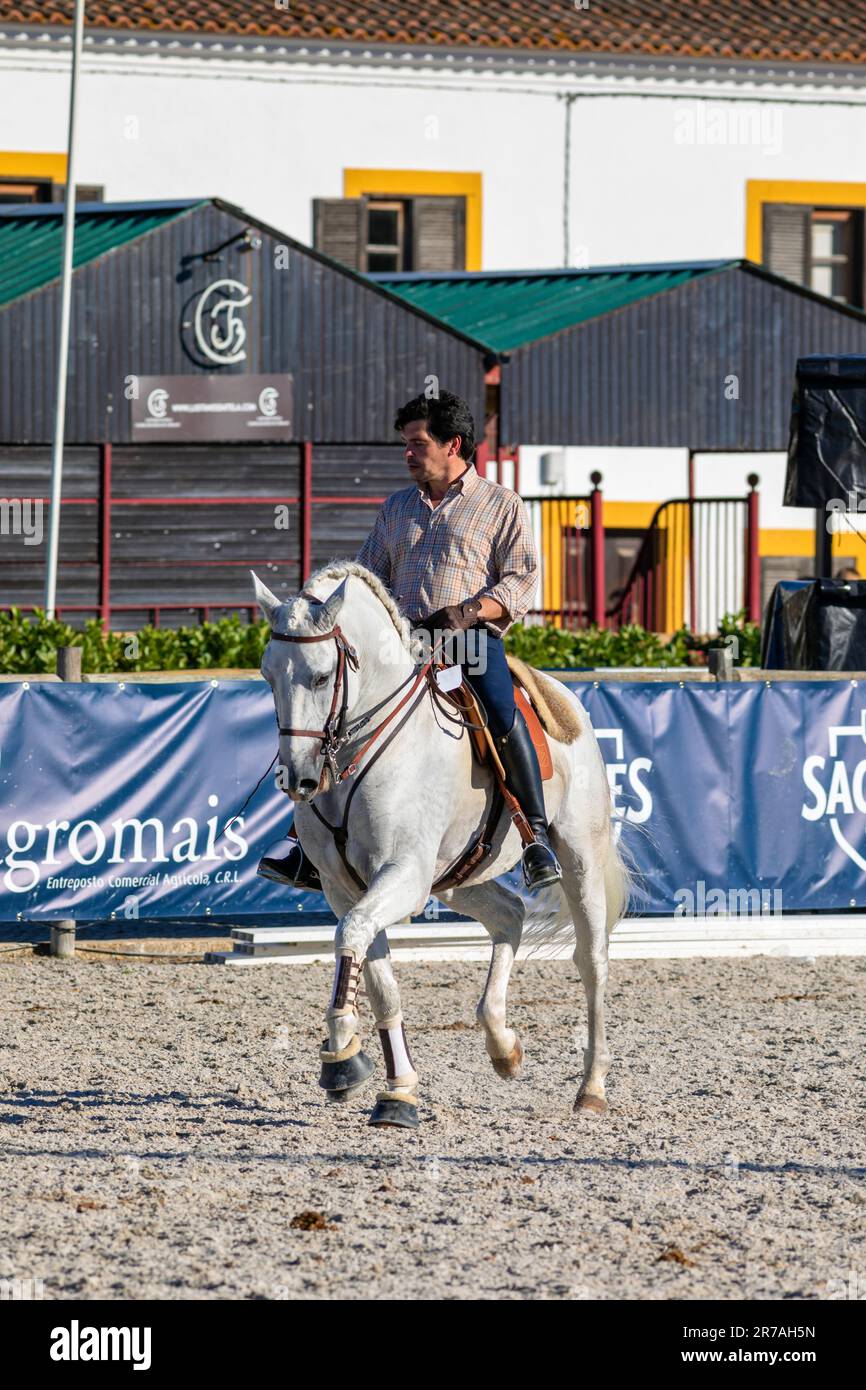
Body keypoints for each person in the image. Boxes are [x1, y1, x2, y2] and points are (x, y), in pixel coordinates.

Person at [259, 389, 562, 895]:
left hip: (467, 642)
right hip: (400, 648)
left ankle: (535, 837)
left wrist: (467, 611)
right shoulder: (396, 508)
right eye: (405, 444)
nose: (408, 453)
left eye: (417, 443)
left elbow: (523, 580)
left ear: (453, 445)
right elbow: (365, 575)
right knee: (334, 715)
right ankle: (303, 846)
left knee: (501, 712)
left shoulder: (500, 505)